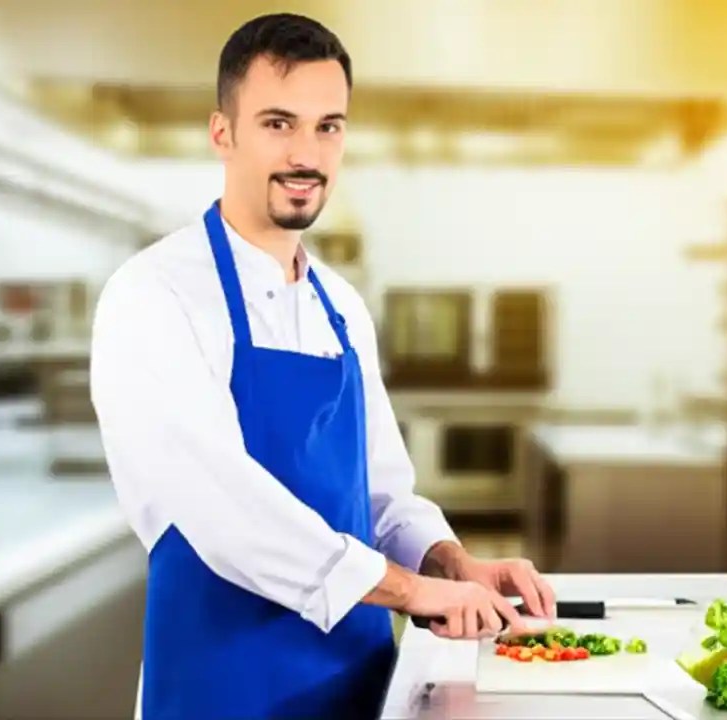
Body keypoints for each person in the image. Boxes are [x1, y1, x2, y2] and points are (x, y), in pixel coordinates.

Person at [90, 13, 555, 720]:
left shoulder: (339, 305)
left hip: (355, 684)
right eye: (279, 123)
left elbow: (382, 492)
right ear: (223, 133)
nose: (307, 152)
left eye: (328, 126)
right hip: (225, 689)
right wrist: (413, 592)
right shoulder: (155, 293)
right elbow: (223, 508)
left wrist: (448, 561)